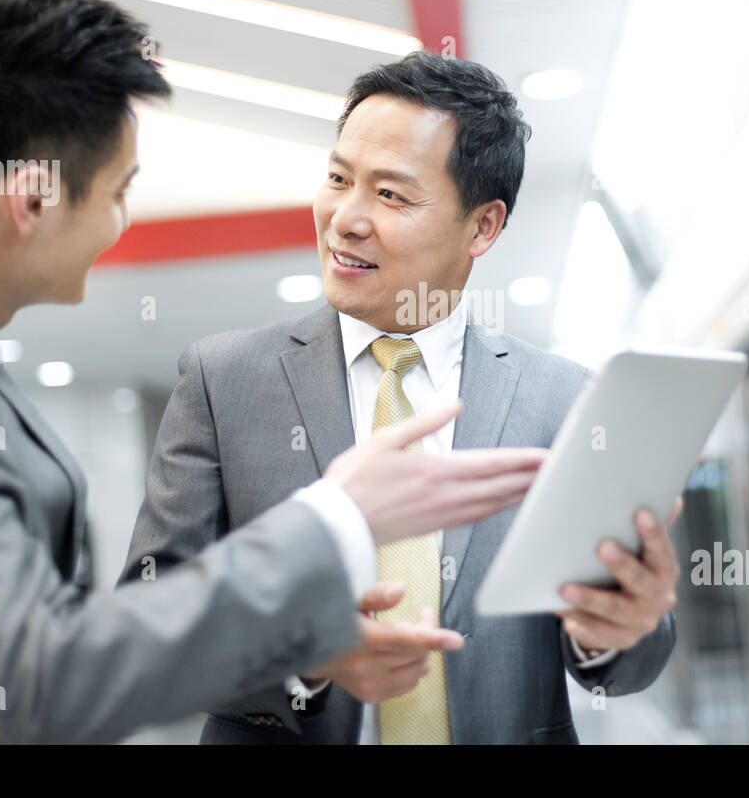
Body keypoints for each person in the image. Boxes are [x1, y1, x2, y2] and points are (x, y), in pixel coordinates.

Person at [0, 0, 545, 744]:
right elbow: (34, 680)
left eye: (391, 194)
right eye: (120, 191)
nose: (120, 224)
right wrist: (337, 514)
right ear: (29, 201)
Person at [120, 51, 681, 744]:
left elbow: (625, 660)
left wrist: (619, 632)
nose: (345, 219)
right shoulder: (223, 381)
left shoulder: (565, 400)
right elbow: (147, 621)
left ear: (483, 227)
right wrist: (303, 660)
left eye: (391, 195)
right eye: (337, 179)